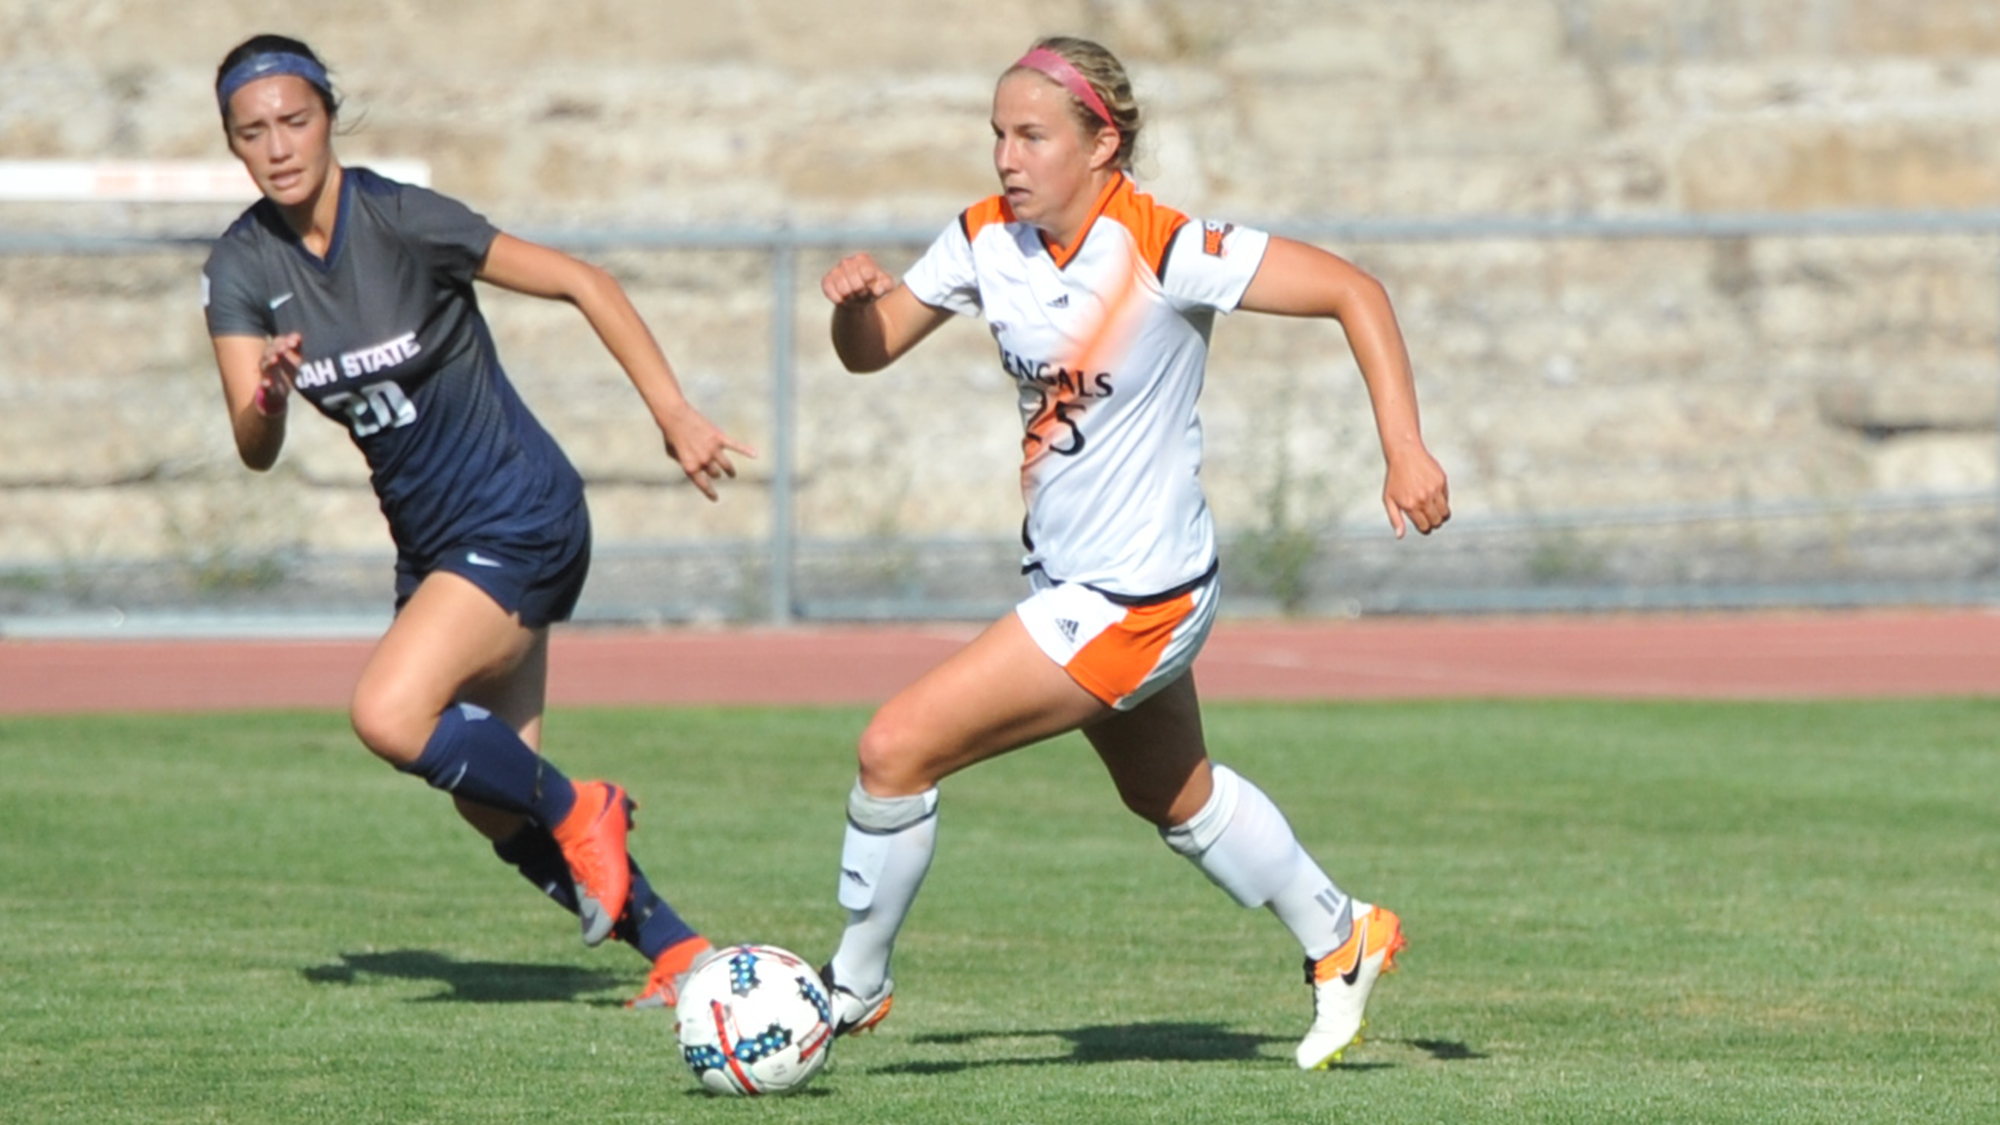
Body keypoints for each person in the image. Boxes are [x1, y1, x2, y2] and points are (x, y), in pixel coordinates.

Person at [816, 36, 1450, 1069]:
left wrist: (1404, 446)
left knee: (894, 750)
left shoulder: (1163, 245)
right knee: (1171, 794)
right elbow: (872, 349)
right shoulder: (982, 239)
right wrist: (851, 310)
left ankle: (849, 986)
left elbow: (1354, 291)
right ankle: (1343, 937)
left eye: (1029, 136)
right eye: (995, 135)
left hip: (1138, 594)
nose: (1004, 158)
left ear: (1099, 143)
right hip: (1074, 581)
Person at [201, 34, 750, 1009]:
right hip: (434, 548)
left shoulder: (403, 219)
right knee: (491, 805)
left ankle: (587, 806)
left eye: (296, 119)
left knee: (387, 714)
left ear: (329, 116)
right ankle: (679, 953)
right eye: (253, 132)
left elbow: (586, 281)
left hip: (519, 511)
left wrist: (672, 413)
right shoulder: (242, 266)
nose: (279, 145)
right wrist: (271, 399)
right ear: (233, 147)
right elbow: (253, 445)